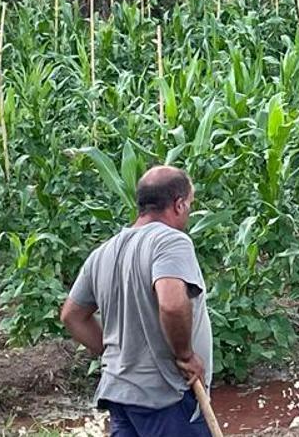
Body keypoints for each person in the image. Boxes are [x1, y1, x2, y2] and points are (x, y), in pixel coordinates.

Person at [60, 165, 215, 437]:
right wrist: (186, 355)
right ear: (179, 204)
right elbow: (171, 304)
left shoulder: (104, 252)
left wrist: (117, 354)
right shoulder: (171, 242)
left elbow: (72, 316)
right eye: (189, 205)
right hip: (166, 397)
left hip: (121, 395)